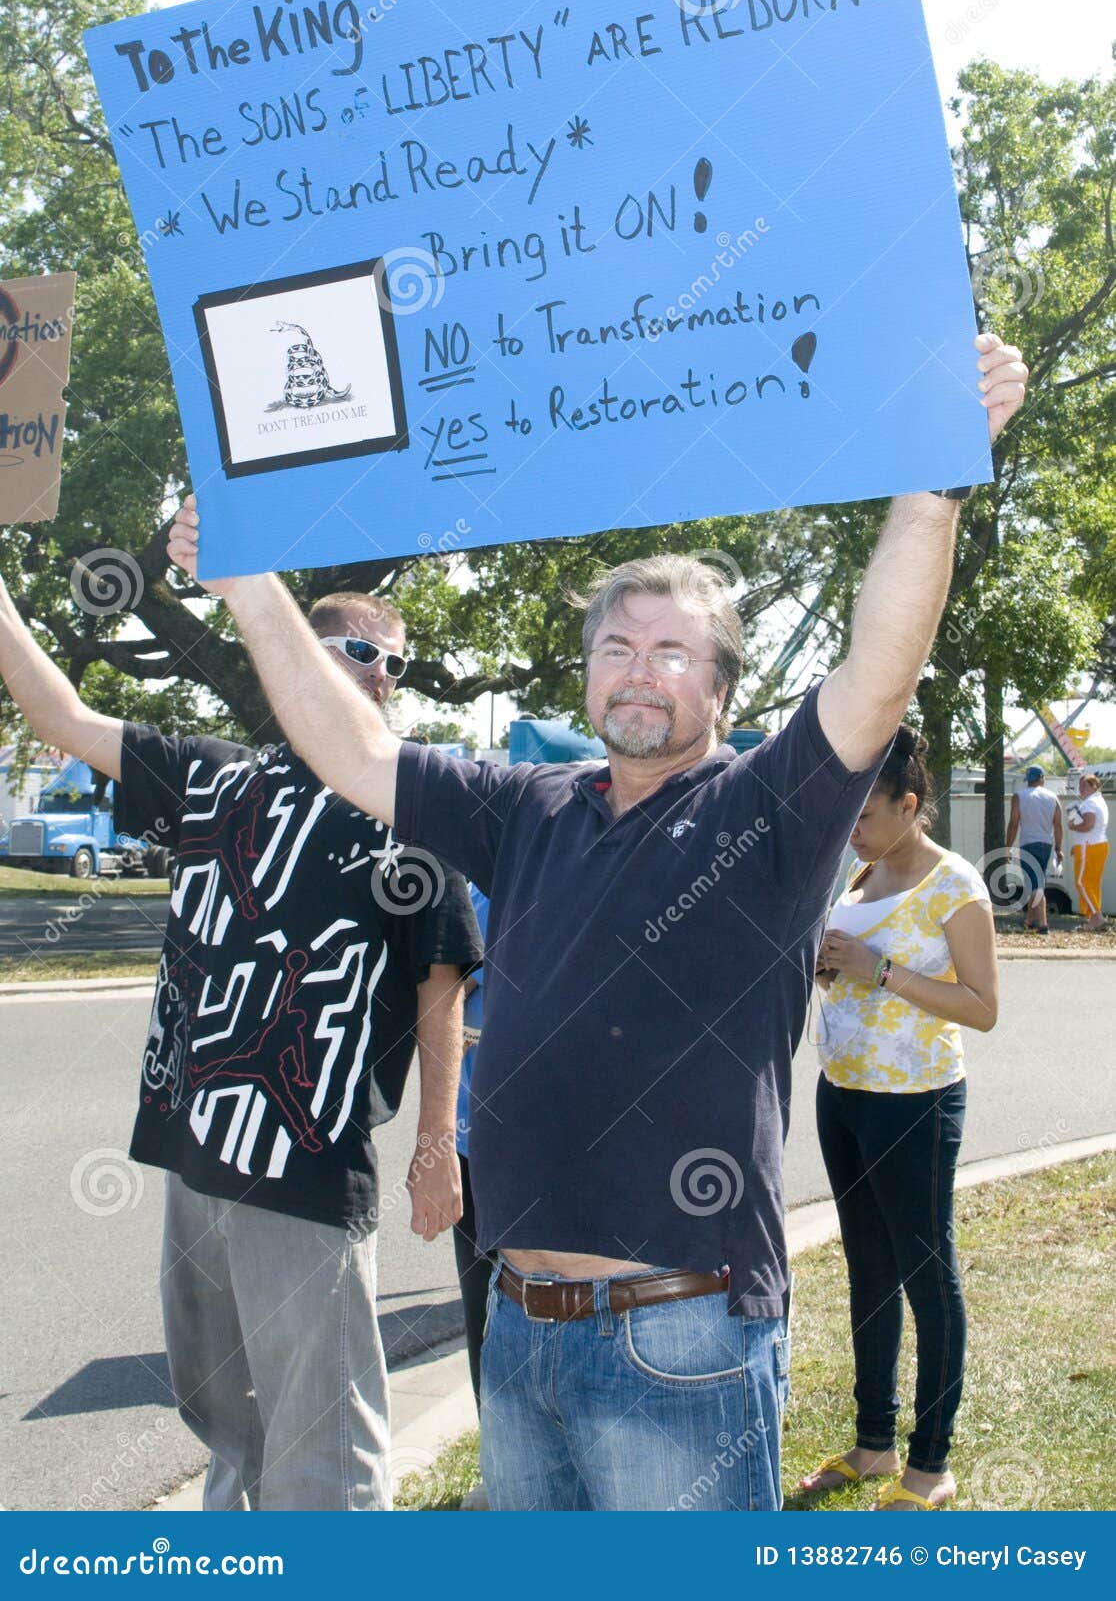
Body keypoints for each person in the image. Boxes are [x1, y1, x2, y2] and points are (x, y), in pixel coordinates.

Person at [168, 334, 1027, 1511]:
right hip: (520, 1333)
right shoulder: (526, 807)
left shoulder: (765, 814)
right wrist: (249, 584)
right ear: (586, 677)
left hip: (681, 1343)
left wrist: (935, 479)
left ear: (721, 691)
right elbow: (358, 750)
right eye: (616, 646)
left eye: (672, 652)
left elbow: (877, 675)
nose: (638, 670)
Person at [0, 580, 481, 1510]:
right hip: (193, 1152)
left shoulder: (417, 811)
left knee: (323, 1439)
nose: (384, 676)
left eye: (398, 663)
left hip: (303, 1162)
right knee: (224, 1417)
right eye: (359, 651)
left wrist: (435, 1146)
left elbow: (440, 988)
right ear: (298, 655)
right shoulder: (211, 776)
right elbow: (58, 715)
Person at [802, 726, 998, 1511]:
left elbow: (982, 1008)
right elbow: (839, 973)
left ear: (911, 805)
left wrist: (879, 969)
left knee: (926, 1272)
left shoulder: (956, 886)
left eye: (864, 817)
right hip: (842, 1094)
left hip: (915, 1102)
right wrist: (823, 965)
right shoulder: (858, 875)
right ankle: (875, 1443)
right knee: (868, 1270)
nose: (852, 832)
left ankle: (931, 1464)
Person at [451, 882, 495, 1511]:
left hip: (556, 1147)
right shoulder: (472, 892)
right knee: (485, 1311)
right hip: (474, 1139)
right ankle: (503, 1465)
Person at [1006, 763, 1062, 932]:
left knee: (1036, 885)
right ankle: (1029, 920)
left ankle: (1043, 924)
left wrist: (1008, 846)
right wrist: (1058, 849)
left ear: (1028, 780)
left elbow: (1014, 823)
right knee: (1035, 882)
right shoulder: (1053, 798)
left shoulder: (1019, 796)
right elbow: (1058, 826)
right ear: (1042, 778)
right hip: (1046, 844)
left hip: (1028, 844)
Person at [1066, 771, 1110, 931]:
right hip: (1097, 844)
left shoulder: (1090, 803)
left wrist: (1072, 826)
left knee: (1082, 883)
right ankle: (1093, 919)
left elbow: (1088, 825)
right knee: (1092, 883)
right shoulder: (1099, 800)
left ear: (1094, 786)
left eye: (1084, 785)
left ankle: (1097, 917)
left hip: (1089, 846)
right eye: (1080, 785)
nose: (1081, 788)